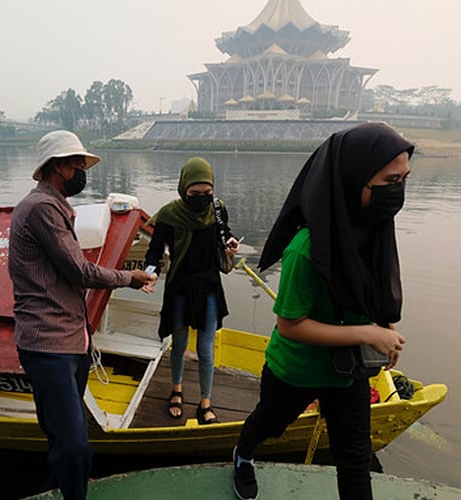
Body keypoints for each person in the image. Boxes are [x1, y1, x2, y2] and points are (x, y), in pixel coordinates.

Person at [232, 122, 413, 500]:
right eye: (390, 179)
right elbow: (290, 325)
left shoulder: (376, 230)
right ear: (353, 178)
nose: (398, 191)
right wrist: (368, 334)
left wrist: (385, 328)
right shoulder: (306, 248)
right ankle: (243, 454)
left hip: (348, 372)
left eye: (404, 178)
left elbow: (373, 291)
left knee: (355, 460)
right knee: (271, 422)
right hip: (296, 370)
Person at [8, 130, 152, 500]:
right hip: (49, 343)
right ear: (58, 167)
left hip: (72, 339)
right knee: (75, 446)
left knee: (62, 437)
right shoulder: (40, 208)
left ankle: (55, 488)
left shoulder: (54, 206)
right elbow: (80, 272)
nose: (80, 171)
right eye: (76, 164)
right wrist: (129, 278)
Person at [142, 157, 240, 425]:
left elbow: (224, 235)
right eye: (195, 194)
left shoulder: (218, 210)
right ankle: (176, 389)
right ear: (183, 188)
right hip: (180, 287)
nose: (201, 198)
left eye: (207, 193)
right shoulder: (169, 215)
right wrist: (149, 275)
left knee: (206, 349)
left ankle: (205, 401)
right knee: (180, 344)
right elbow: (154, 252)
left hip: (208, 286)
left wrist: (230, 243)